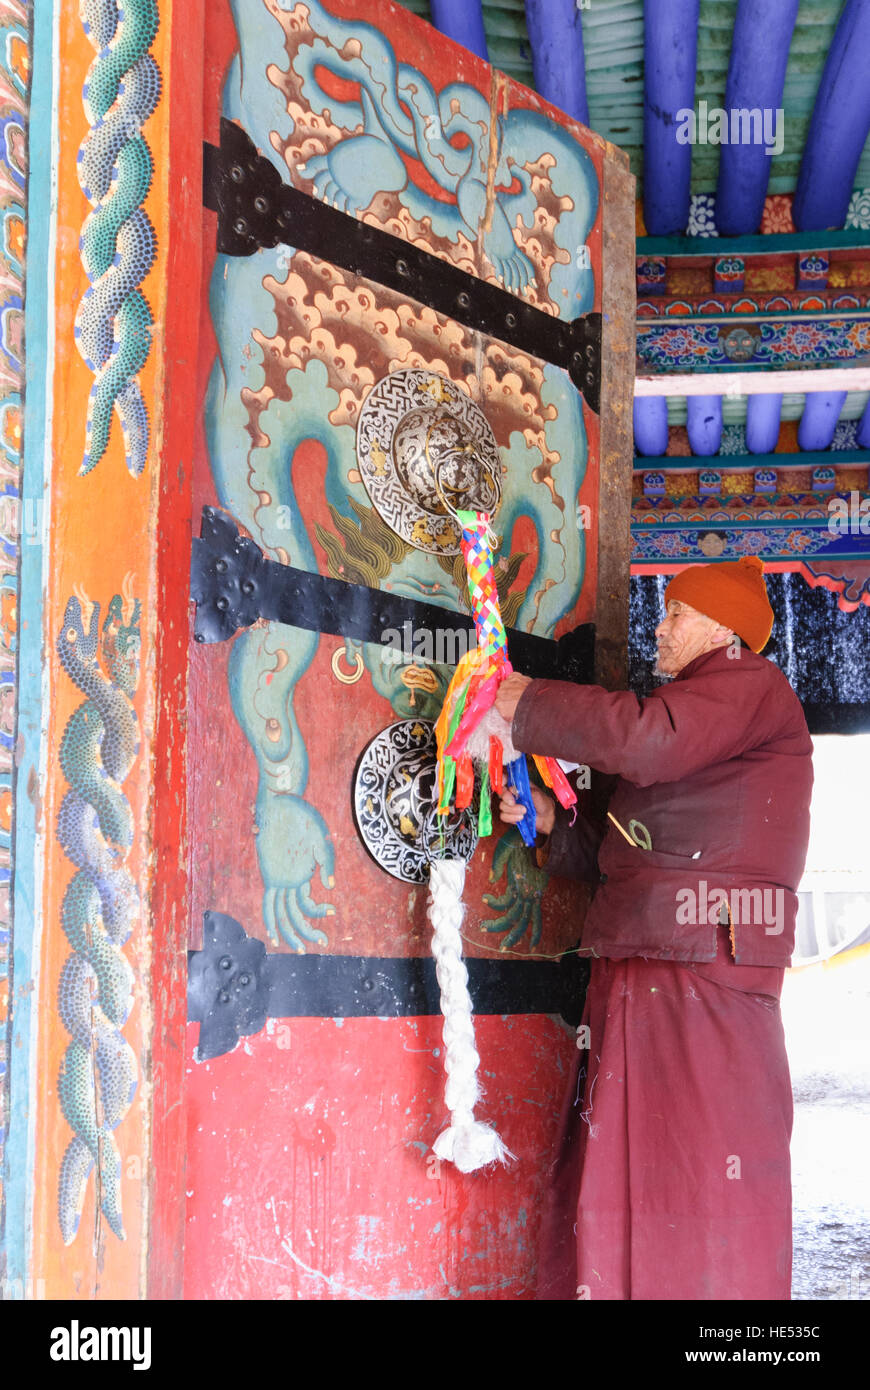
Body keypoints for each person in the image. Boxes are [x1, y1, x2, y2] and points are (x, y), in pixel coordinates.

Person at [494, 556, 813, 1301]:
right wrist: (549, 824)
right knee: (617, 1168)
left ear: (723, 630)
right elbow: (626, 842)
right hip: (645, 956)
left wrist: (526, 703)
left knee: (703, 1169)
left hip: (705, 963)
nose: (658, 628)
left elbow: (648, 741)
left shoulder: (747, 685)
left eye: (673, 614)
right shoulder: (696, 705)